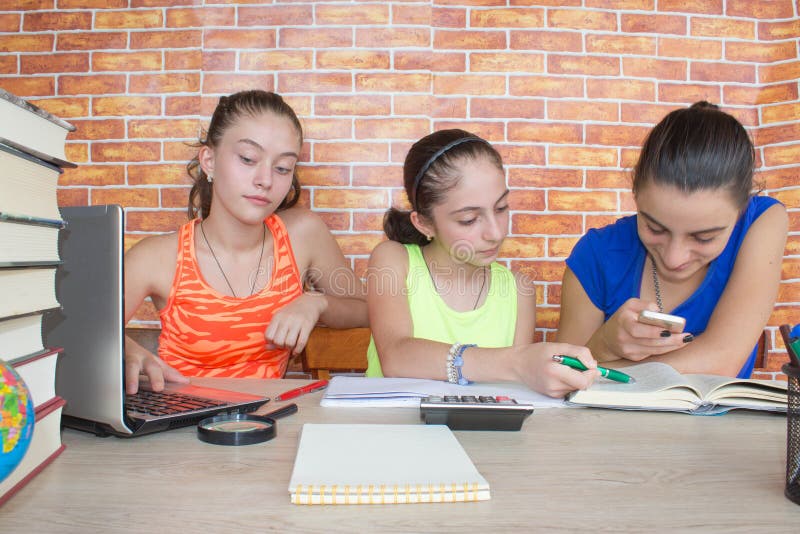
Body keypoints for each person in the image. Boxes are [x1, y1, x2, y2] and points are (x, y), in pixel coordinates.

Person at [124, 90, 367, 394]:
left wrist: (316, 303)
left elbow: (367, 309)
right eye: (248, 159)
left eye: (282, 168)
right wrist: (122, 351)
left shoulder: (303, 234)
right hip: (179, 426)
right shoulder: (156, 256)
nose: (265, 180)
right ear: (209, 161)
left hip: (267, 422)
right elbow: (79, 326)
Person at [556, 101, 788, 378]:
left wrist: (599, 366)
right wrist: (604, 344)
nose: (674, 257)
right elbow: (565, 378)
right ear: (636, 194)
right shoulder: (595, 254)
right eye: (655, 228)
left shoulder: (763, 220)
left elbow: (721, 363)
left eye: (704, 237)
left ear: (741, 210)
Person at [365, 129, 598, 398]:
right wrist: (517, 363)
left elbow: (509, 396)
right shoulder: (393, 260)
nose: (496, 233)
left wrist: (525, 368)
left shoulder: (518, 289)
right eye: (469, 219)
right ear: (424, 223)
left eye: (501, 208)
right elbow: (397, 357)